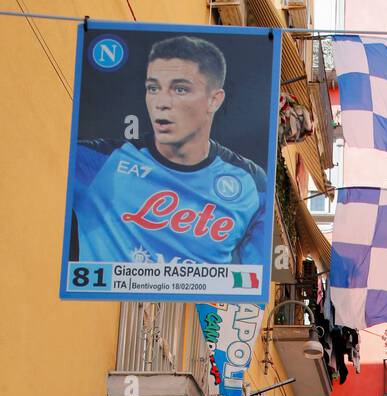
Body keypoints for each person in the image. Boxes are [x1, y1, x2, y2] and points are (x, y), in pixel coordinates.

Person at [71, 35, 268, 266]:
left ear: (214, 100)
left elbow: (250, 278)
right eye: (153, 88)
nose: (161, 102)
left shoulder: (252, 184)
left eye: (180, 89)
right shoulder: (100, 162)